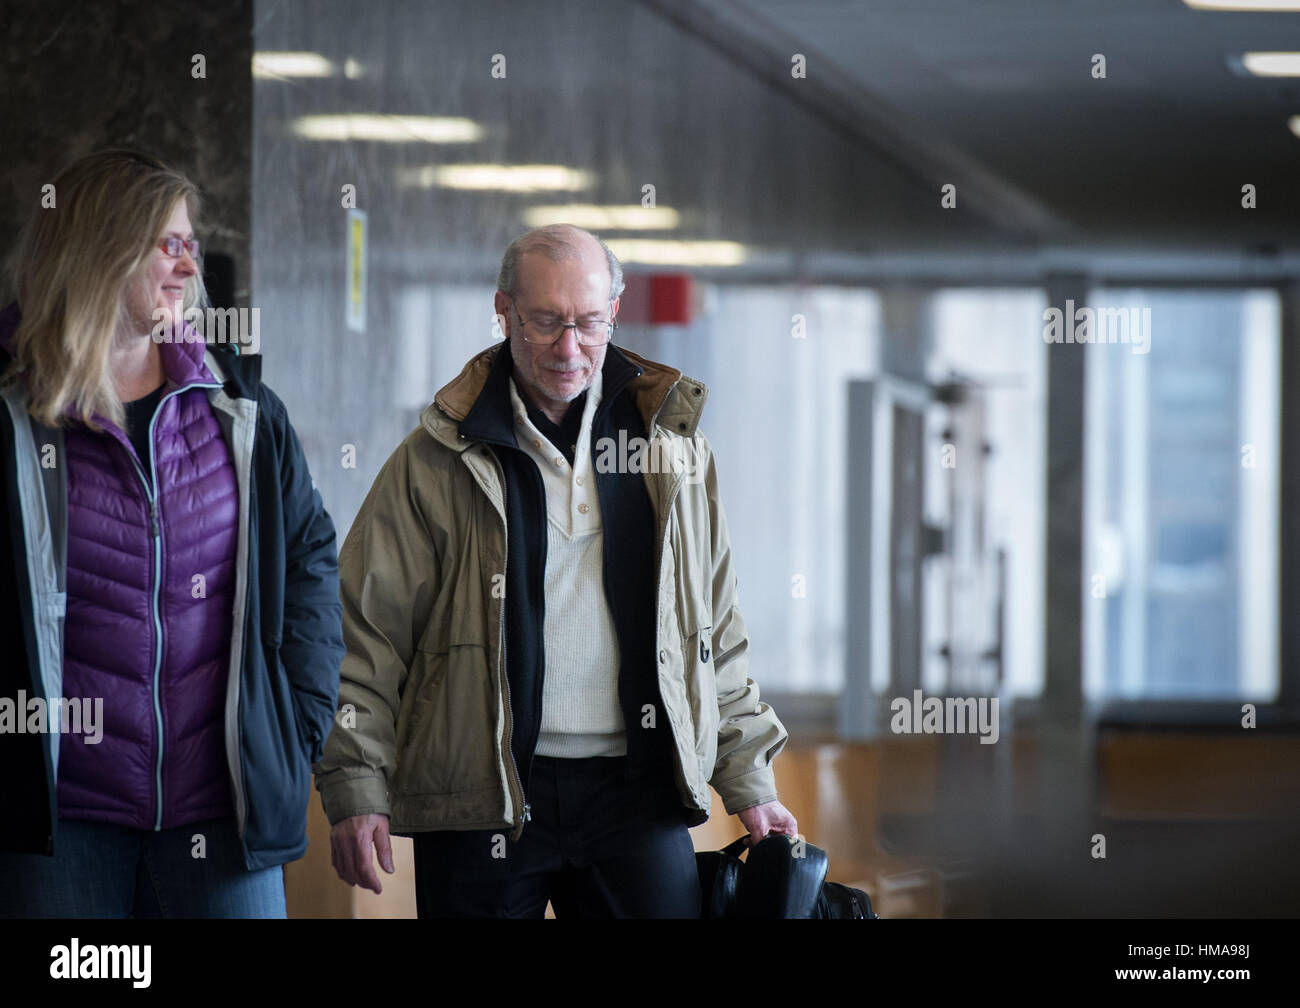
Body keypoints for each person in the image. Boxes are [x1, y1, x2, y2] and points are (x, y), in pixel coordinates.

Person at [317, 223, 796, 918]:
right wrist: (356, 783)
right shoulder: (436, 458)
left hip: (638, 788)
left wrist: (750, 779)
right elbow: (365, 634)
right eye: (544, 323)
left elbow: (714, 631)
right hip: (483, 790)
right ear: (503, 310)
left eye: (588, 324)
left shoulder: (673, 453)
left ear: (615, 315)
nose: (569, 349)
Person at [0, 149, 344, 918]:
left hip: (219, 821)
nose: (190, 268)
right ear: (100, 249)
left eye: (192, 244)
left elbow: (310, 560)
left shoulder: (236, 402)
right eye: (170, 245)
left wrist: (294, 728)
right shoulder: (13, 411)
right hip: (59, 825)